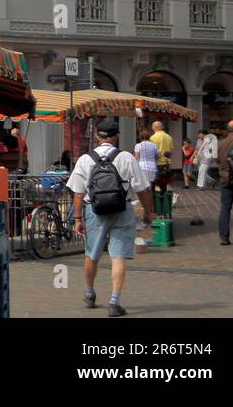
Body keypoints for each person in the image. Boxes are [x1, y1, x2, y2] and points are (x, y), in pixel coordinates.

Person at [66, 118, 154, 317]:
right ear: (116, 137)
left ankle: (89, 293)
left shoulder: (85, 159)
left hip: (93, 211)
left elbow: (78, 193)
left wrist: (78, 218)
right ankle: (114, 301)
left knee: (91, 254)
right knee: (118, 256)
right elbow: (142, 189)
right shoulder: (126, 157)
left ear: (97, 136)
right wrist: (149, 212)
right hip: (122, 210)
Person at [132, 130, 159, 227]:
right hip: (152, 168)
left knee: (143, 190)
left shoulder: (138, 146)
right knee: (149, 190)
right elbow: (157, 157)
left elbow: (136, 158)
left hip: (142, 168)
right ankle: (150, 212)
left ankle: (147, 213)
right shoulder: (153, 145)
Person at [148, 121, 173, 193]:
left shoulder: (153, 138)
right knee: (164, 184)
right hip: (166, 163)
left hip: (157, 163)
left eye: (152, 127)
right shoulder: (169, 137)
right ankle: (163, 200)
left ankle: (155, 201)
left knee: (155, 183)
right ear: (161, 127)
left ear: (154, 128)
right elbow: (171, 150)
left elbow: (151, 151)